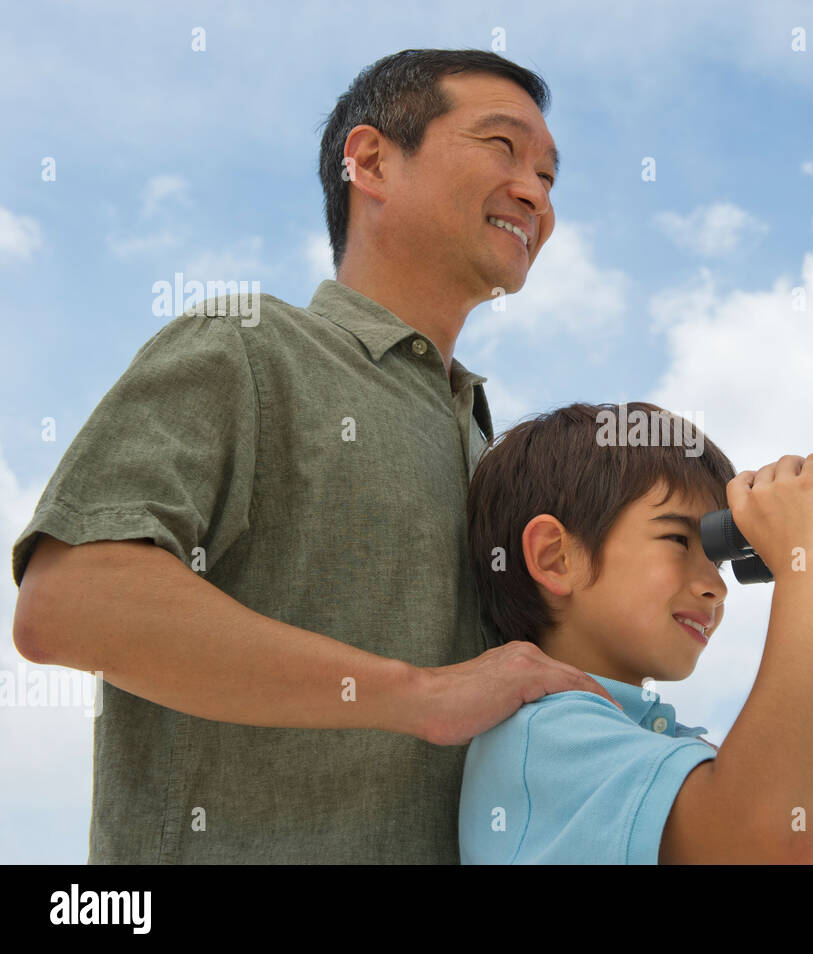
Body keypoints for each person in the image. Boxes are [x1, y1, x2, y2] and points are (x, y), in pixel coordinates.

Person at [9, 48, 622, 864]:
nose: (535, 193)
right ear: (371, 160)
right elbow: (72, 602)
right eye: (502, 147)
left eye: (550, 176)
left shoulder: (494, 451)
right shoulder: (247, 347)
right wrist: (423, 696)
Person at [458, 402, 813, 863]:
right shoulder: (539, 738)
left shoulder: (671, 758)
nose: (715, 587)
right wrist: (806, 565)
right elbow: (771, 845)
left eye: (718, 556)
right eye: (677, 539)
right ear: (555, 556)